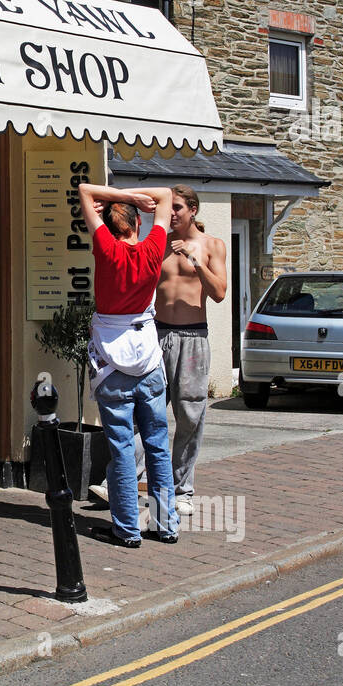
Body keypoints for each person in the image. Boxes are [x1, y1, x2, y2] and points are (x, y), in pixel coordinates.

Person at [77, 182, 178, 548]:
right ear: (137, 225)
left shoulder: (104, 248)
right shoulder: (153, 248)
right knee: (157, 445)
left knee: (120, 448)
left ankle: (127, 529)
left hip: (111, 361)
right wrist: (135, 198)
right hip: (149, 358)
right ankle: (166, 525)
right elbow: (166, 195)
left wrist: (124, 198)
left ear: (108, 225)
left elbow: (84, 191)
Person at [154, 185, 227, 516]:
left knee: (190, 415)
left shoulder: (213, 246)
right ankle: (138, 481)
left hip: (192, 338)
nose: (171, 214)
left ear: (193, 210)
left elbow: (220, 293)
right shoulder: (158, 244)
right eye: (168, 207)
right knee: (147, 410)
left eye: (177, 208)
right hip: (156, 336)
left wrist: (195, 260)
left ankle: (182, 489)